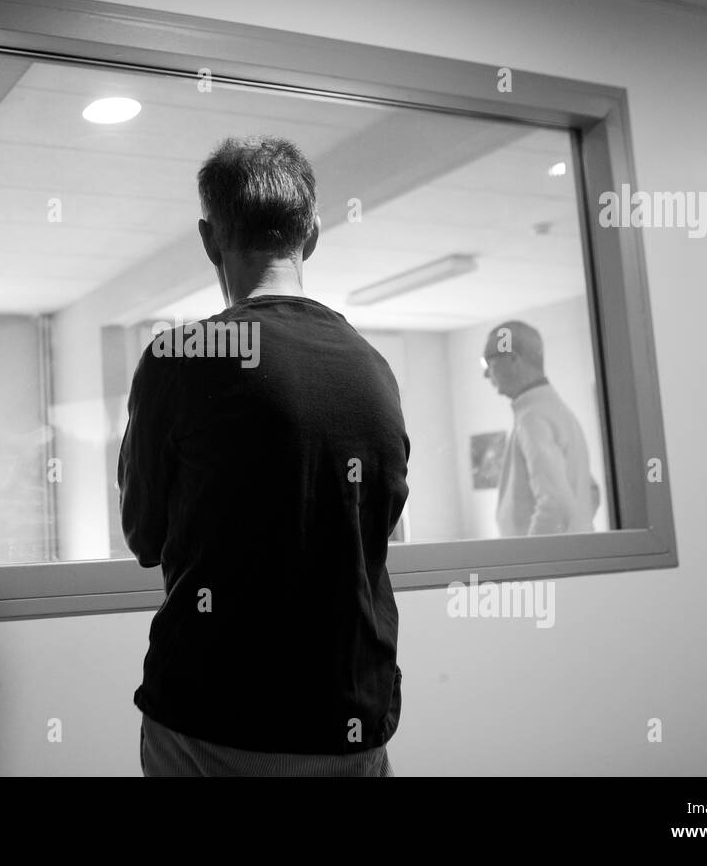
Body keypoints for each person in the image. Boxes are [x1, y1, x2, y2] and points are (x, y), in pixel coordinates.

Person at [118, 135, 409, 776]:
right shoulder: (374, 369)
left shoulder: (180, 359)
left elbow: (144, 536)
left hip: (209, 715)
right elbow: (373, 534)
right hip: (350, 721)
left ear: (208, 237)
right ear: (311, 235)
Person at [480, 321, 598, 536]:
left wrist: (528, 563)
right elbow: (591, 493)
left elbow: (555, 504)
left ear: (512, 358)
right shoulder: (559, 412)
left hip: (542, 563)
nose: (486, 375)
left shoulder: (532, 418)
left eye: (489, 362)